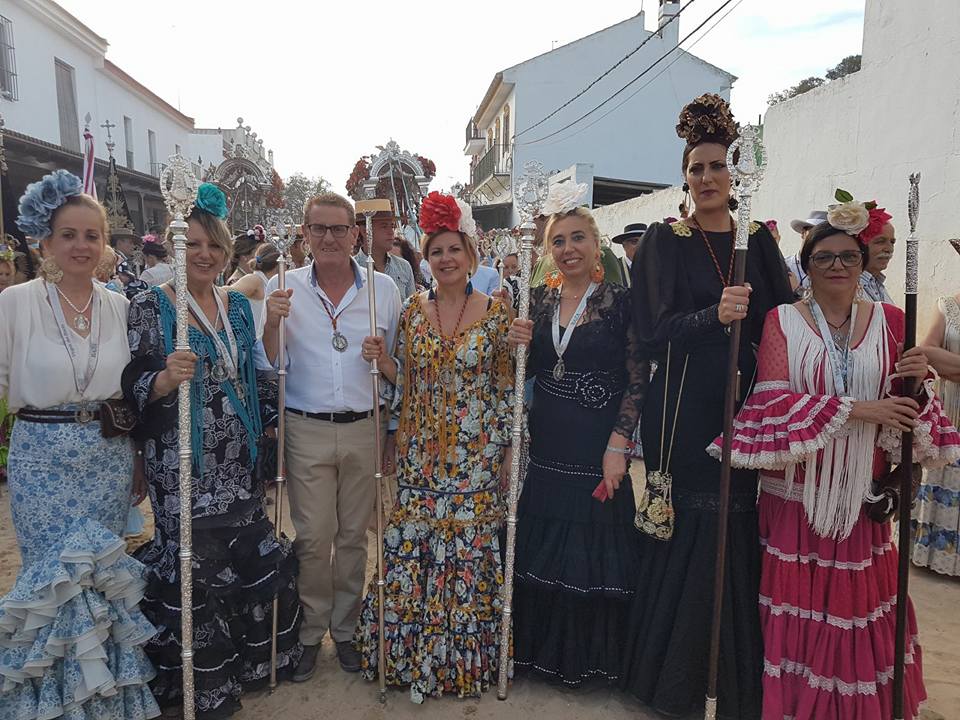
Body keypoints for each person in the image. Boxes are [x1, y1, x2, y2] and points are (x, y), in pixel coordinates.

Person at [710, 203, 960, 719]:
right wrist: (858, 409)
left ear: (863, 262)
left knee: (855, 607)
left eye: (849, 256)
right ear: (806, 266)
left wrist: (912, 376)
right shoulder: (782, 321)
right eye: (823, 258)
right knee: (796, 611)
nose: (837, 266)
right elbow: (770, 403)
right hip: (796, 499)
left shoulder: (892, 321)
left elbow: (908, 407)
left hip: (861, 498)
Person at [620, 94, 794, 719]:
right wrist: (711, 316)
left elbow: (783, 322)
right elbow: (650, 328)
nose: (706, 178)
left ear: (735, 172)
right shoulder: (668, 241)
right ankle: (671, 676)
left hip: (745, 405)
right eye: (695, 168)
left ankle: (737, 678)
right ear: (685, 178)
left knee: (737, 522)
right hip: (685, 406)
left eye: (717, 166)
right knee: (693, 524)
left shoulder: (759, 242)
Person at [123, 183, 303, 717]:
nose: (204, 255)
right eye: (193, 245)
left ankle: (250, 664)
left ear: (227, 253)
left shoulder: (239, 308)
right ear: (177, 249)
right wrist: (161, 380)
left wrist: (271, 429)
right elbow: (131, 380)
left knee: (246, 552)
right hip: (182, 459)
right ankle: (205, 682)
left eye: (213, 246)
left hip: (237, 457)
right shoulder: (147, 306)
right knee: (194, 563)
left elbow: (254, 372)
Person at [0, 170, 160, 719]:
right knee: (55, 580)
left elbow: (134, 388)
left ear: (106, 244)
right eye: (68, 234)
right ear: (44, 240)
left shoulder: (119, 305)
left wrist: (138, 456)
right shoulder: (16, 303)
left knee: (99, 578)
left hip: (107, 456)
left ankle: (108, 705)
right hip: (40, 459)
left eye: (92, 235)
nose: (81, 246)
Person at [353, 191, 514, 702]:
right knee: (413, 550)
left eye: (454, 250)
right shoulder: (410, 311)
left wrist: (509, 448)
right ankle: (407, 654)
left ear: (471, 255)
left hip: (476, 457)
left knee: (467, 552)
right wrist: (381, 363)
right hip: (420, 453)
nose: (445, 259)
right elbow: (406, 380)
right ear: (426, 257)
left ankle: (462, 662)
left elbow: (507, 386)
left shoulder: (496, 314)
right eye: (436, 250)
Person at [259, 191, 402, 682]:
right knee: (314, 539)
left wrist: (383, 360)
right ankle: (308, 633)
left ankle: (345, 632)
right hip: (306, 427)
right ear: (305, 234)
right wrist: (272, 324)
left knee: (353, 538)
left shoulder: (383, 290)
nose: (329, 238)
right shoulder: (285, 287)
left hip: (364, 426)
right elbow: (271, 365)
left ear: (355, 233)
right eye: (318, 229)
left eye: (339, 229)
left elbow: (399, 369)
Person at [507, 196, 648, 685]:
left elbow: (637, 379)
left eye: (578, 238)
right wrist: (517, 343)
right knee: (545, 540)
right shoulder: (537, 301)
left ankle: (590, 662)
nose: (568, 249)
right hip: (549, 442)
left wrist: (619, 445)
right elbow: (524, 372)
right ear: (549, 250)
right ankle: (539, 656)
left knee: (594, 542)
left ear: (596, 246)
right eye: (559, 241)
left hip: (597, 444)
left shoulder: (619, 302)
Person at [913, 291, 960, 575]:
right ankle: (937, 556)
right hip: (953, 411)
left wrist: (951, 362)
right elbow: (926, 352)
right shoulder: (949, 306)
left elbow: (939, 357)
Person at [355, 203, 417, 298]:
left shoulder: (404, 267)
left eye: (392, 226)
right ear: (364, 231)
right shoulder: (351, 268)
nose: (391, 232)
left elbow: (412, 309)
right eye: (384, 226)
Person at [230, 242, 280, 337]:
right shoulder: (255, 280)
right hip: (256, 344)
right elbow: (225, 292)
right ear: (278, 264)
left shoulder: (271, 282)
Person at [859, 211, 896, 303]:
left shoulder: (876, 283)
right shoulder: (849, 288)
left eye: (892, 242)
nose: (889, 249)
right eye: (880, 241)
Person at [785, 210, 827, 288]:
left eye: (824, 235)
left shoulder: (832, 267)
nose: (818, 238)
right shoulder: (784, 265)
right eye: (814, 233)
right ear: (803, 233)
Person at [611, 222, 647, 289]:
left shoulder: (655, 266)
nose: (640, 246)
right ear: (624, 245)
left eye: (645, 241)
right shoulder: (615, 267)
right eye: (634, 242)